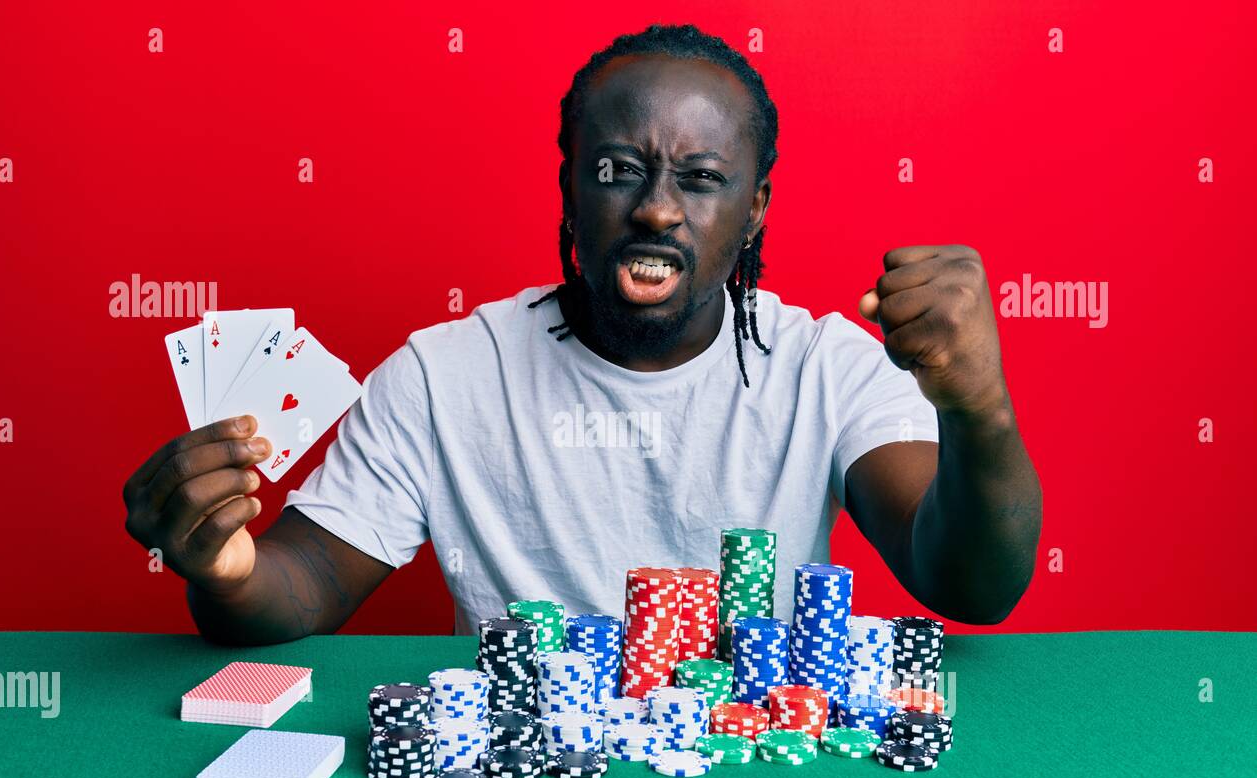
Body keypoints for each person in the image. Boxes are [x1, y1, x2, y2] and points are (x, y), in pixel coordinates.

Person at [123, 24, 1041, 647]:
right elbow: (311, 577)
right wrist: (226, 567)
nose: (654, 210)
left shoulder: (828, 370)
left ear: (754, 208)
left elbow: (967, 585)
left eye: (702, 178)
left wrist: (982, 412)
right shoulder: (446, 375)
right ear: (569, 189)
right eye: (617, 170)